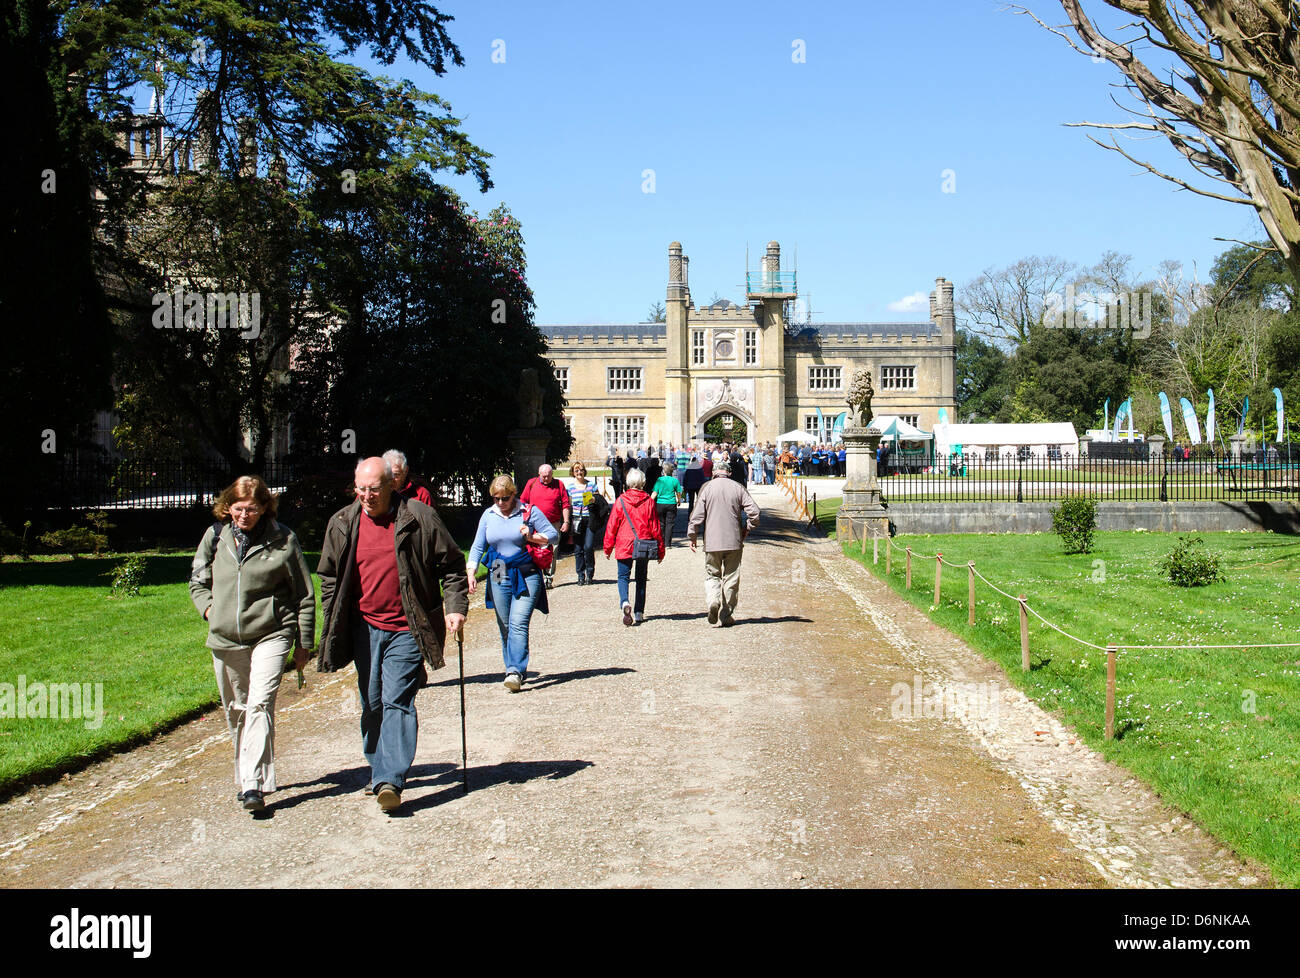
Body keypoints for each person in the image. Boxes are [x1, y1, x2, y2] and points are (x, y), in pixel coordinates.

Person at [316, 457, 468, 813]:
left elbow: (452, 566)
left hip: (408, 626)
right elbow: (327, 574)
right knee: (372, 703)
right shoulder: (341, 523)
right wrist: (331, 609)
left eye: (375, 489)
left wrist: (455, 607)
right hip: (363, 627)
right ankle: (378, 765)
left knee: (396, 698)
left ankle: (390, 779)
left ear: (392, 486)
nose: (367, 496)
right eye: (361, 489)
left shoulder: (419, 518)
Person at [190, 475, 315, 813]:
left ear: (265, 509)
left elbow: (303, 593)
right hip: (225, 637)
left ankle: (252, 785)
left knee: (259, 703)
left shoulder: (283, 539)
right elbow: (197, 580)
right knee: (238, 710)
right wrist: (209, 609)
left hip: (271, 633)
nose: (244, 516)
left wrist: (304, 642)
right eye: (238, 509)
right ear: (227, 506)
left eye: (253, 509)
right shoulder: (215, 537)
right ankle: (252, 774)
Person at [467, 475, 559, 691]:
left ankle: (514, 671)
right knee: (506, 624)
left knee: (518, 622)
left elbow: (553, 535)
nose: (501, 503)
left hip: (526, 572)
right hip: (498, 569)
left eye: (505, 498)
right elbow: (478, 546)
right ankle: (514, 667)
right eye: (496, 498)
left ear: (513, 495)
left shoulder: (528, 512)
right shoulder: (488, 516)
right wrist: (471, 572)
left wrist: (532, 537)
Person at [687, 459, 760, 627]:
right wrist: (747, 527)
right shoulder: (738, 488)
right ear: (730, 473)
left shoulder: (707, 488)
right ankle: (726, 614)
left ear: (713, 473)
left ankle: (713, 600)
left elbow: (696, 516)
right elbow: (755, 513)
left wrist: (692, 536)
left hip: (712, 541)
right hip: (734, 540)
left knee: (712, 574)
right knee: (731, 577)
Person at [603, 467, 664, 626]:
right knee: (641, 578)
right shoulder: (649, 501)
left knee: (623, 577)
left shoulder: (621, 501)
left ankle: (624, 602)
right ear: (643, 483)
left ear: (628, 483)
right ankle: (639, 612)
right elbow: (655, 527)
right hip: (643, 542)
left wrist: (608, 547)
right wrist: (661, 550)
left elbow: (612, 526)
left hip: (624, 543)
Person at [520, 464, 570, 589]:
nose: (546, 479)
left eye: (548, 476)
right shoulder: (531, 483)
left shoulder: (559, 485)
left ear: (552, 474)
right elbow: (523, 502)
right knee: (534, 549)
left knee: (552, 550)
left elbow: (565, 504)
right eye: (543, 476)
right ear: (539, 474)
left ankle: (548, 577)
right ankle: (534, 576)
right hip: (534, 523)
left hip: (553, 523)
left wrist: (566, 521)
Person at [568, 461, 604, 584]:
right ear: (573, 472)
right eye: (577, 470)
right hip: (577, 519)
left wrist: (594, 499)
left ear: (584, 471)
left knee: (588, 546)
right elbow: (568, 505)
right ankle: (580, 574)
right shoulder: (570, 488)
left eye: (581, 470)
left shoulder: (591, 486)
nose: (579, 472)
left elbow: (600, 501)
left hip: (590, 519)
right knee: (578, 548)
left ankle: (590, 572)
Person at [651, 461, 684, 548]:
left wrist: (649, 501)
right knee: (670, 523)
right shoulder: (675, 481)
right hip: (671, 503)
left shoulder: (659, 480)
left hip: (660, 503)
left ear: (664, 471)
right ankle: (667, 543)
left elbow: (655, 493)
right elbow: (678, 492)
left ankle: (661, 542)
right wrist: (679, 500)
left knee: (661, 523)